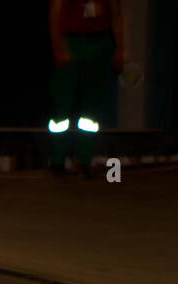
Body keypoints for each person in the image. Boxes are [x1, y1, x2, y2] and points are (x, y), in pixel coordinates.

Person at [47, 0, 124, 176]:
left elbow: (116, 14)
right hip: (71, 42)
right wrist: (58, 46)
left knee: (91, 109)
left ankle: (84, 160)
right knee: (62, 105)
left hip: (98, 43)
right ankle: (57, 160)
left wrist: (120, 48)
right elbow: (54, 13)